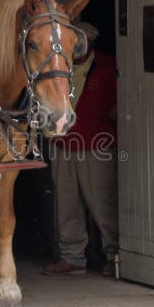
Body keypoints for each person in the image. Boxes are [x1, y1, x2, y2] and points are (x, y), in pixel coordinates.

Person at [42, 21, 118, 277]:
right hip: (63, 143)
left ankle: (114, 255)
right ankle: (72, 258)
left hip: (97, 145)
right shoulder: (55, 65)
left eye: (79, 43)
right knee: (67, 205)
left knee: (103, 204)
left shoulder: (108, 67)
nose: (75, 48)